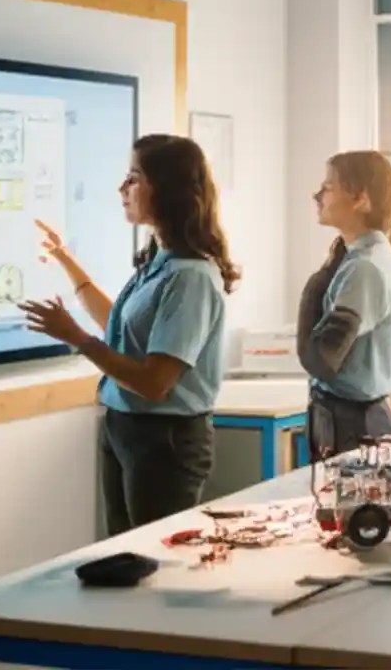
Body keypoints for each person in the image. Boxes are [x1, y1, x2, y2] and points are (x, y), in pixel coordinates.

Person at [23, 134, 238, 537]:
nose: (123, 189)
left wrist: (77, 338)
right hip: (127, 429)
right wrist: (65, 260)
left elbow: (153, 382)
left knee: (153, 559)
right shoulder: (160, 261)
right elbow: (119, 326)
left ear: (167, 190)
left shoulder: (189, 276)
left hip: (164, 441)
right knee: (124, 556)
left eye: (134, 178)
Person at [296, 151, 391, 458]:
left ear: (360, 199)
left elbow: (321, 358)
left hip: (353, 424)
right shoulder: (363, 257)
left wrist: (312, 291)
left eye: (329, 186)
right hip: (347, 419)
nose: (318, 195)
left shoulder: (364, 268)